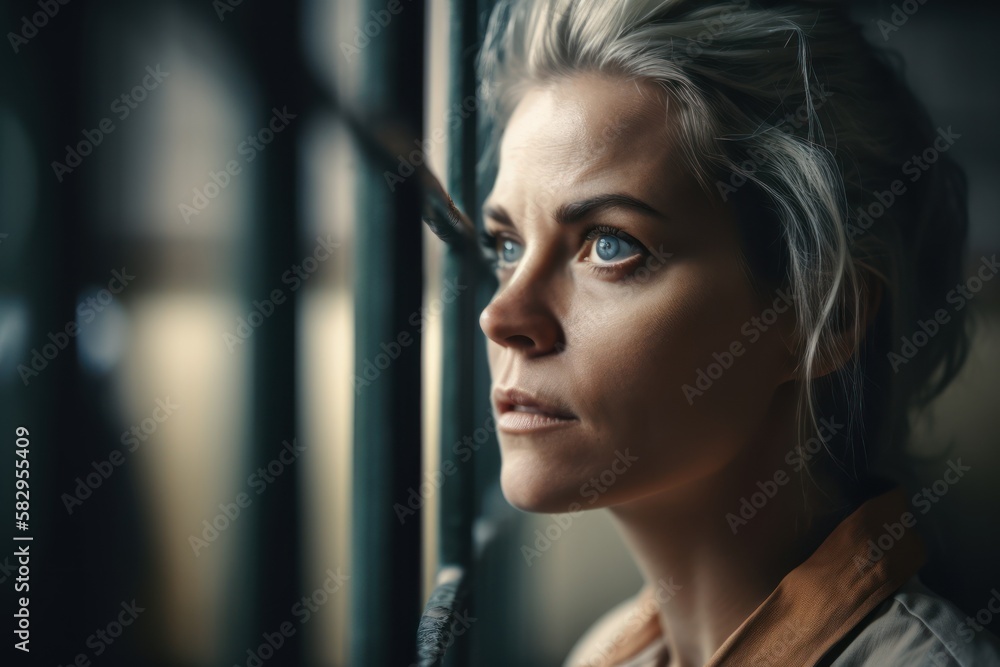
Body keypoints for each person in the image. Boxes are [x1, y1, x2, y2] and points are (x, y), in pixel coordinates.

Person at [473, 0, 1000, 665]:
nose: (501, 316)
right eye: (507, 246)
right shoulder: (605, 654)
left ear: (823, 315)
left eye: (609, 245)